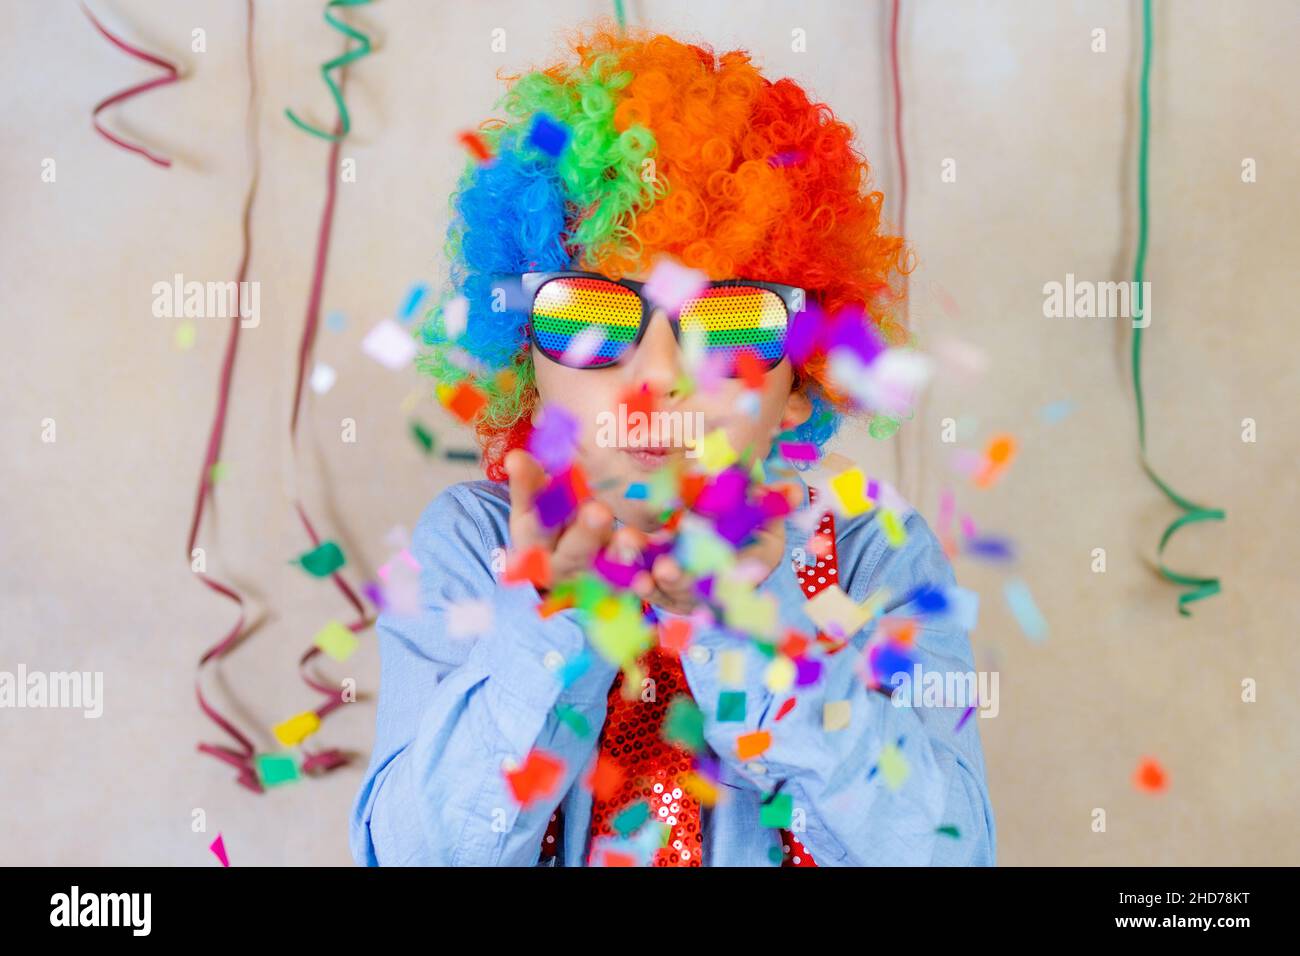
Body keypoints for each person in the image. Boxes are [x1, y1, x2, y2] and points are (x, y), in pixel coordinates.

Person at [349, 19, 995, 866]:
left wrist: (761, 637)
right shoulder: (474, 547)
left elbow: (950, 855)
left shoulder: (874, 553)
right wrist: (549, 625)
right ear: (525, 359)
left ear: (801, 385)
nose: (657, 376)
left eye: (727, 326)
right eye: (588, 316)